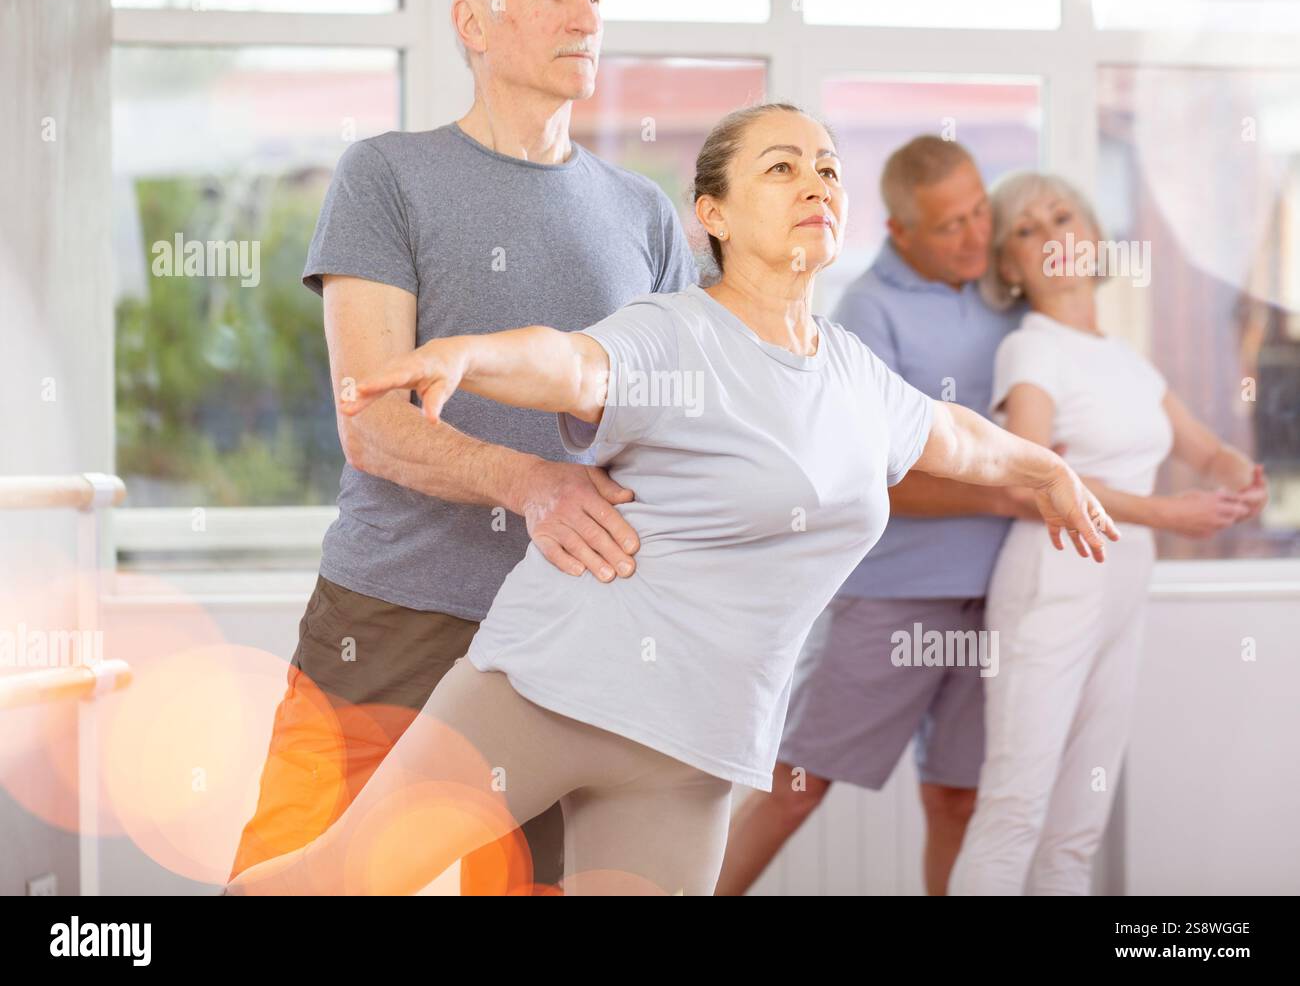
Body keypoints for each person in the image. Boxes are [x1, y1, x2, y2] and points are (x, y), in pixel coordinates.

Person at [225, 103, 1120, 897]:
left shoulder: (852, 373)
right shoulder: (677, 335)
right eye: (781, 166)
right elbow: (570, 361)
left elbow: (954, 436)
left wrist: (1045, 473)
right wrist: (469, 354)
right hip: (546, 696)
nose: (815, 181)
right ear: (713, 215)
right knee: (335, 883)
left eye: (828, 167)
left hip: (690, 757)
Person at [227, 0, 699, 894]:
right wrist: (531, 482)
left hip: (569, 624)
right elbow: (371, 421)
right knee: (289, 873)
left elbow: (668, 426)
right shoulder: (388, 176)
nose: (587, 14)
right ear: (472, 25)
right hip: (395, 605)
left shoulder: (644, 214)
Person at [717, 135, 1033, 897]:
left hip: (996, 598)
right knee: (796, 787)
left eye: (978, 213)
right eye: (949, 225)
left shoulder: (1004, 296)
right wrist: (1009, 491)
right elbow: (871, 478)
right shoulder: (867, 311)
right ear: (901, 233)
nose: (975, 237)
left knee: (958, 797)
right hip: (888, 599)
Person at [947, 171, 1269, 895]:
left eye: (1062, 217)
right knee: (1014, 813)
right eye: (1026, 230)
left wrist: (1238, 470)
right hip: (1052, 590)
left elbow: (1204, 449)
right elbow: (1027, 485)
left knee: (1076, 829)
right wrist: (1164, 514)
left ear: (1092, 238)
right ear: (1009, 266)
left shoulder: (1123, 358)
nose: (1052, 235)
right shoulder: (1031, 351)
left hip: (1120, 595)